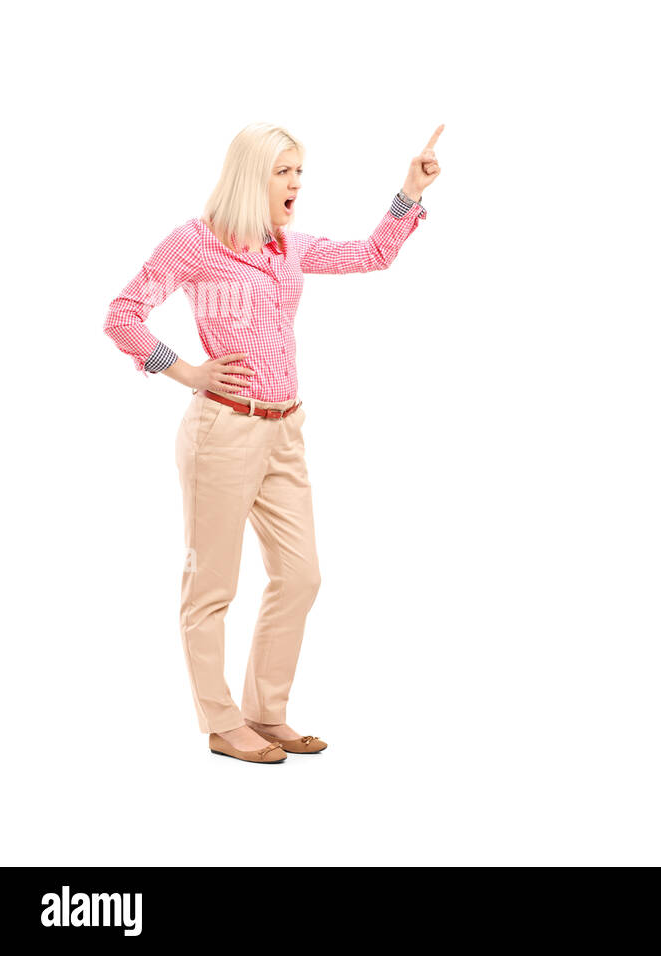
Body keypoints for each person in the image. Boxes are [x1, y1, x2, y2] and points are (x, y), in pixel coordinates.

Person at [103, 121, 445, 763]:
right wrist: (185, 370)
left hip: (286, 430)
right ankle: (221, 722)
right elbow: (123, 314)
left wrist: (408, 191)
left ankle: (265, 713)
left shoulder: (285, 246)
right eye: (284, 172)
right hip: (223, 430)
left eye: (300, 173)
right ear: (249, 176)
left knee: (301, 575)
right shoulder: (195, 243)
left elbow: (370, 253)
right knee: (212, 588)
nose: (296, 184)